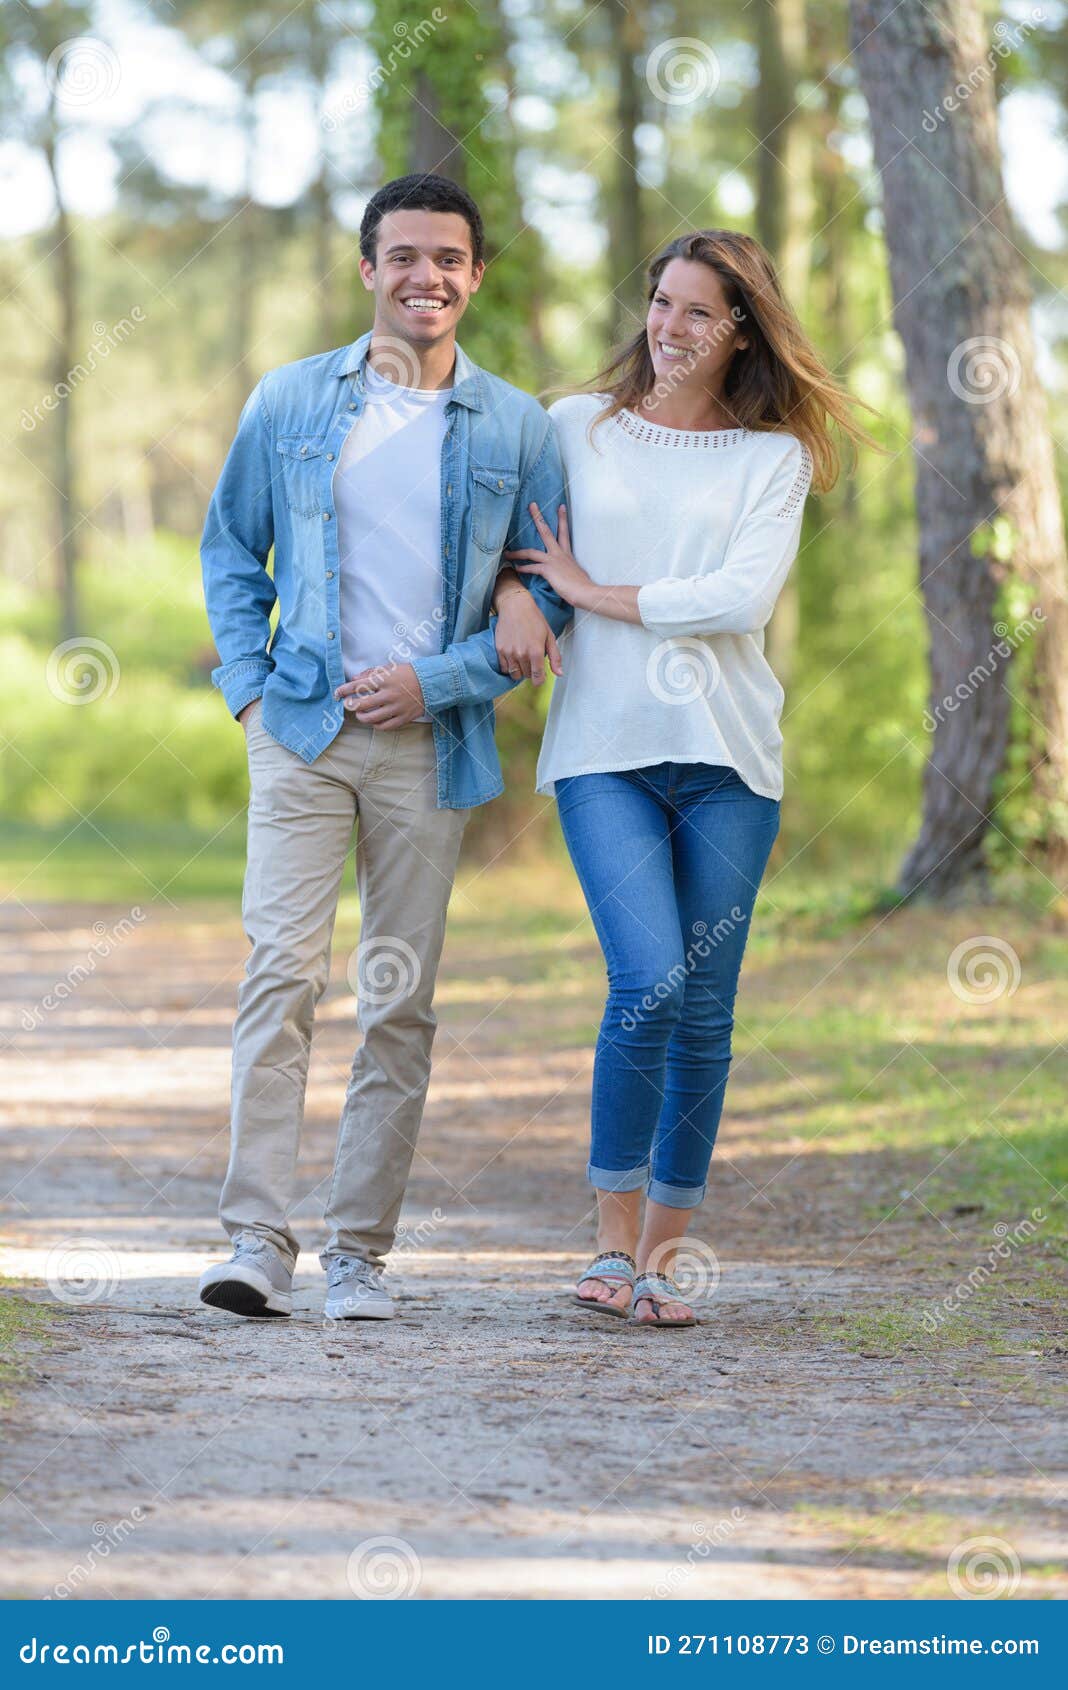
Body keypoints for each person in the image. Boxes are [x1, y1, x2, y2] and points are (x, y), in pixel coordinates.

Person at [197, 173, 566, 1321]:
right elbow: (228, 552)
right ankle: (258, 1238)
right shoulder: (294, 400)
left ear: (476, 275)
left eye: (449, 258)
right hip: (302, 731)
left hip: (430, 745)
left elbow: (552, 591)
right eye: (404, 256)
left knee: (397, 998)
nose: (427, 276)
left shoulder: (517, 423)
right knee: (280, 979)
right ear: (369, 270)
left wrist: (439, 678)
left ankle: (359, 1253)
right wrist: (251, 696)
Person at [502, 230, 869, 1328]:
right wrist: (530, 597)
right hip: (604, 752)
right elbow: (516, 554)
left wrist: (594, 588)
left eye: (698, 312)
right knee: (648, 982)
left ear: (741, 329)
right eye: (661, 302)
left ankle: (662, 1257)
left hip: (729, 761)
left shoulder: (774, 458)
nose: (669, 326)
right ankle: (609, 1243)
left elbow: (738, 601)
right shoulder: (576, 427)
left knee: (705, 1012)